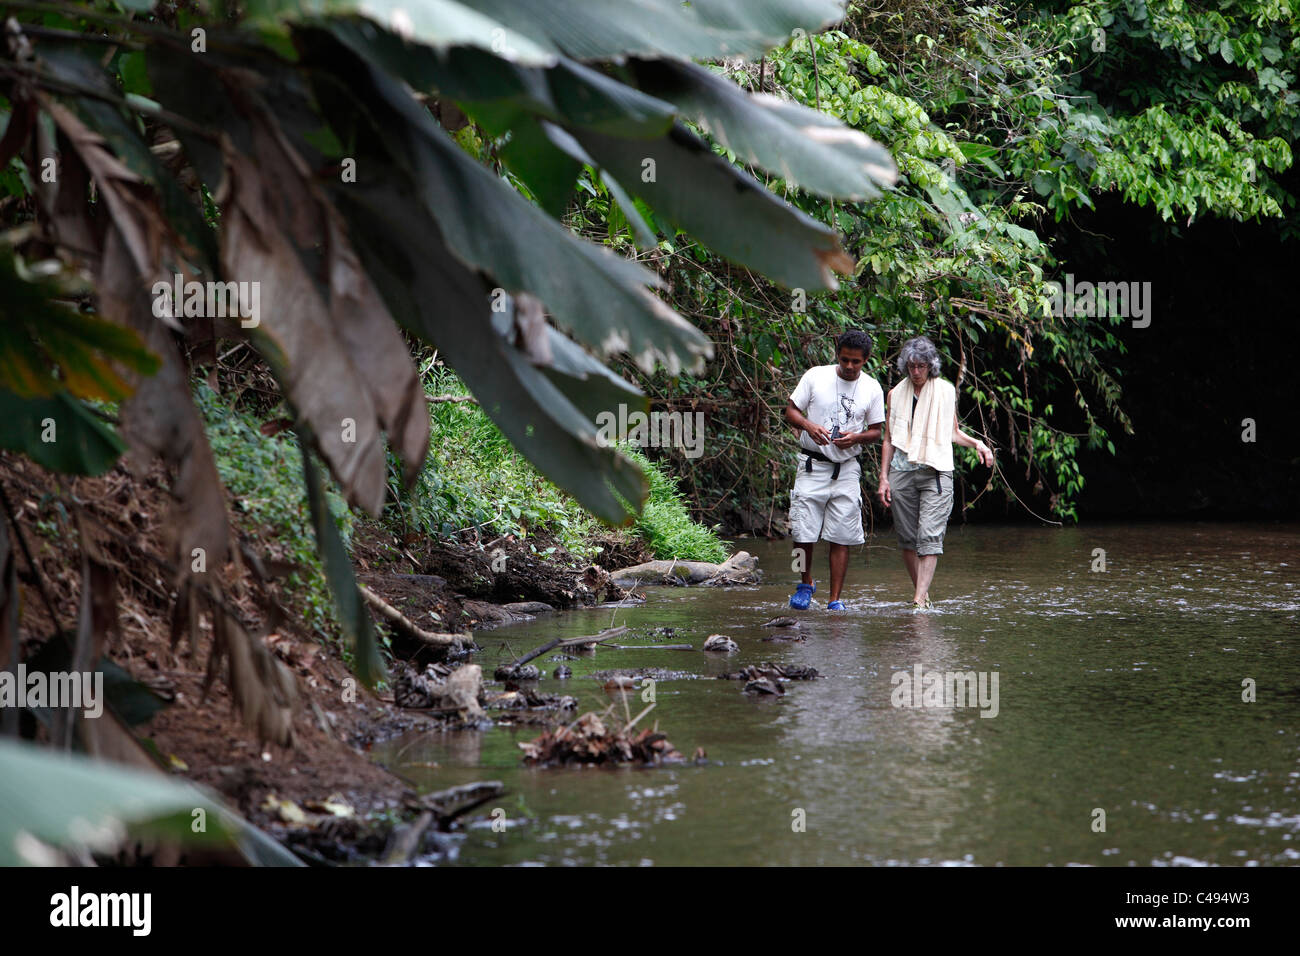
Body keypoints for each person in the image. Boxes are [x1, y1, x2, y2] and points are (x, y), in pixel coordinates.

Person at [876, 336, 993, 610]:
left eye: (921, 366)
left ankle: (918, 601)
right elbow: (889, 439)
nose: (916, 372)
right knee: (907, 538)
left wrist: (978, 443)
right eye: (912, 366)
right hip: (902, 471)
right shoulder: (895, 394)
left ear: (930, 366)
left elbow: (952, 432)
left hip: (935, 471)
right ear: (906, 366)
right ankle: (923, 596)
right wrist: (883, 477)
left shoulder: (945, 391)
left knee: (928, 535)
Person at [784, 330, 885, 611]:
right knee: (802, 531)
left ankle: (835, 598)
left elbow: (876, 431)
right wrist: (808, 425)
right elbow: (790, 411)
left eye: (856, 362)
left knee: (841, 535)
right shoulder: (816, 375)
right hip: (811, 463)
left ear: (866, 360)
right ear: (836, 354)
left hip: (847, 469)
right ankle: (805, 583)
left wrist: (857, 437)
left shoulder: (872, 388)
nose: (849, 366)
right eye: (844, 360)